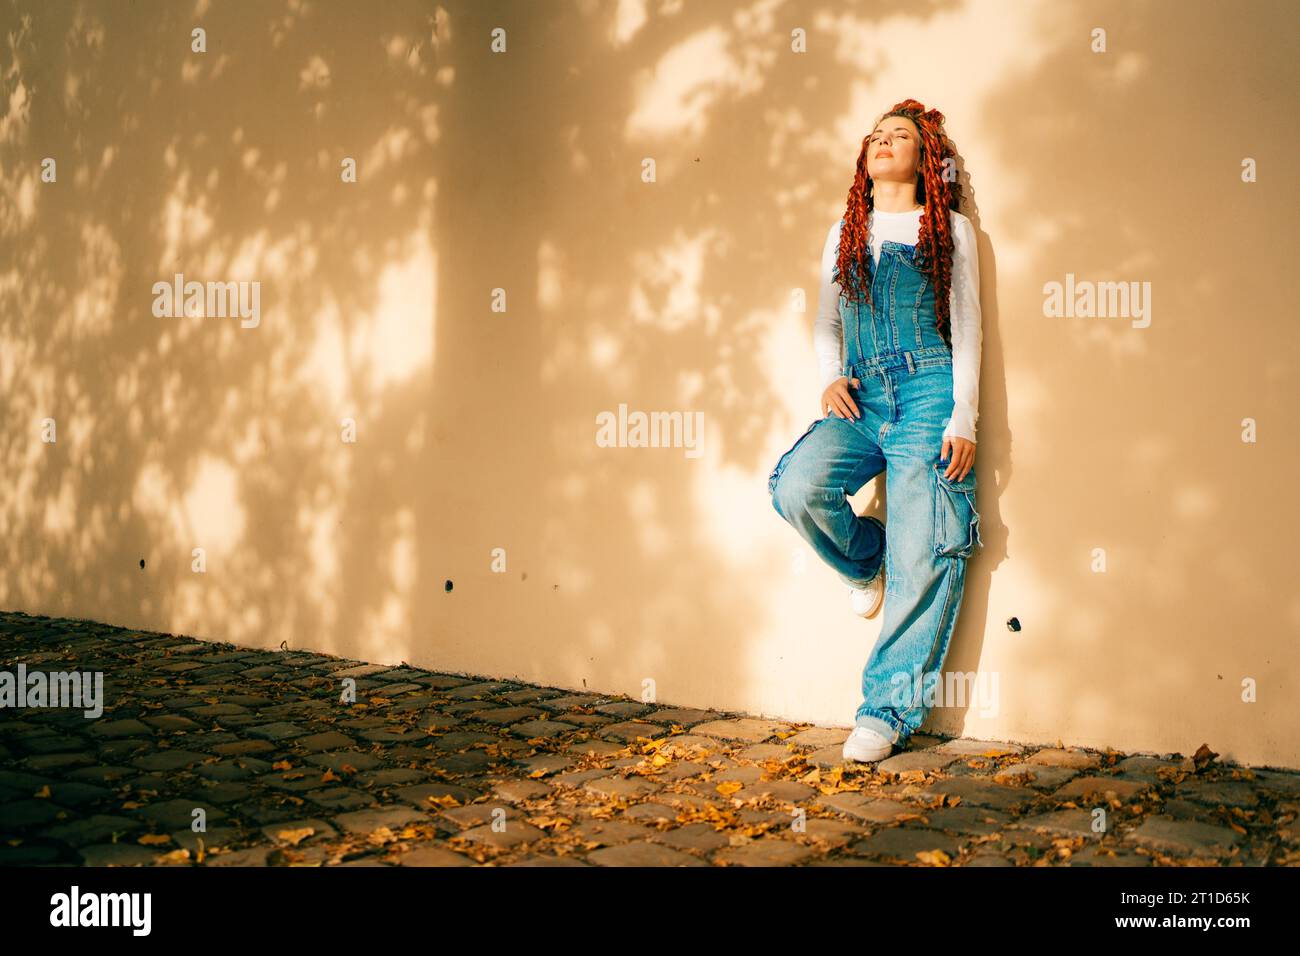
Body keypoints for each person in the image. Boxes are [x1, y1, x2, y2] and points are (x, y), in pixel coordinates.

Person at [767, 99, 985, 763]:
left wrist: (963, 414)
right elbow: (826, 319)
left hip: (928, 392)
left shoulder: (949, 229)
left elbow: (968, 324)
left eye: (901, 136)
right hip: (862, 395)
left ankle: (886, 712)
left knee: (926, 553)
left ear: (926, 158)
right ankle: (866, 559)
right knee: (796, 486)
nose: (884, 142)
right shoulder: (845, 231)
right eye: (877, 135)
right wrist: (829, 375)